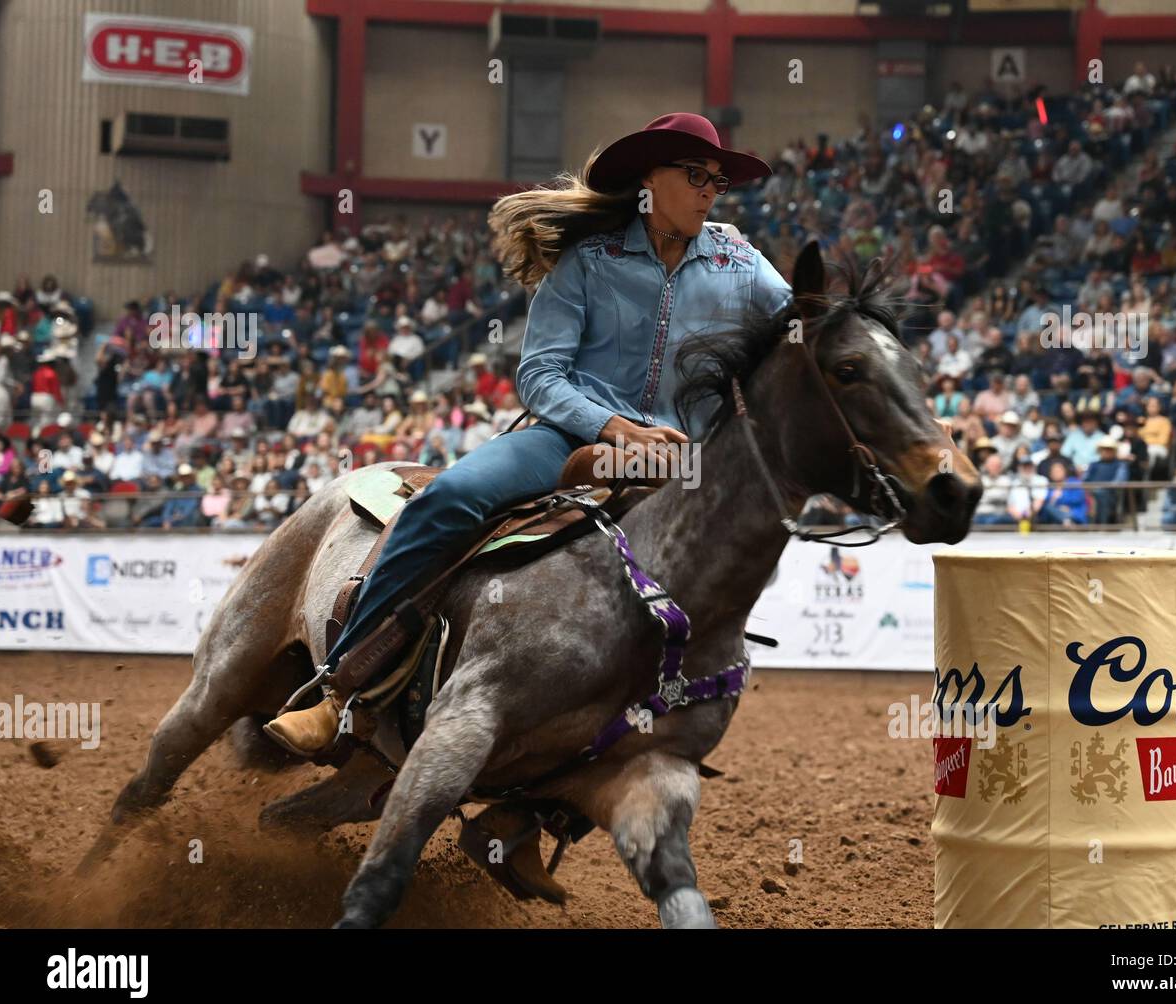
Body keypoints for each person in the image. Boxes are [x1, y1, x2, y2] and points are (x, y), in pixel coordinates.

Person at [265, 111, 793, 755]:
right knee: (445, 499)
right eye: (696, 176)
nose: (711, 190)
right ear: (649, 181)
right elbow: (541, 375)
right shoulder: (589, 261)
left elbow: (805, 332)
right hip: (568, 440)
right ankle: (340, 691)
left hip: (684, 463)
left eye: (718, 181)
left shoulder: (741, 261)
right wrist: (615, 427)